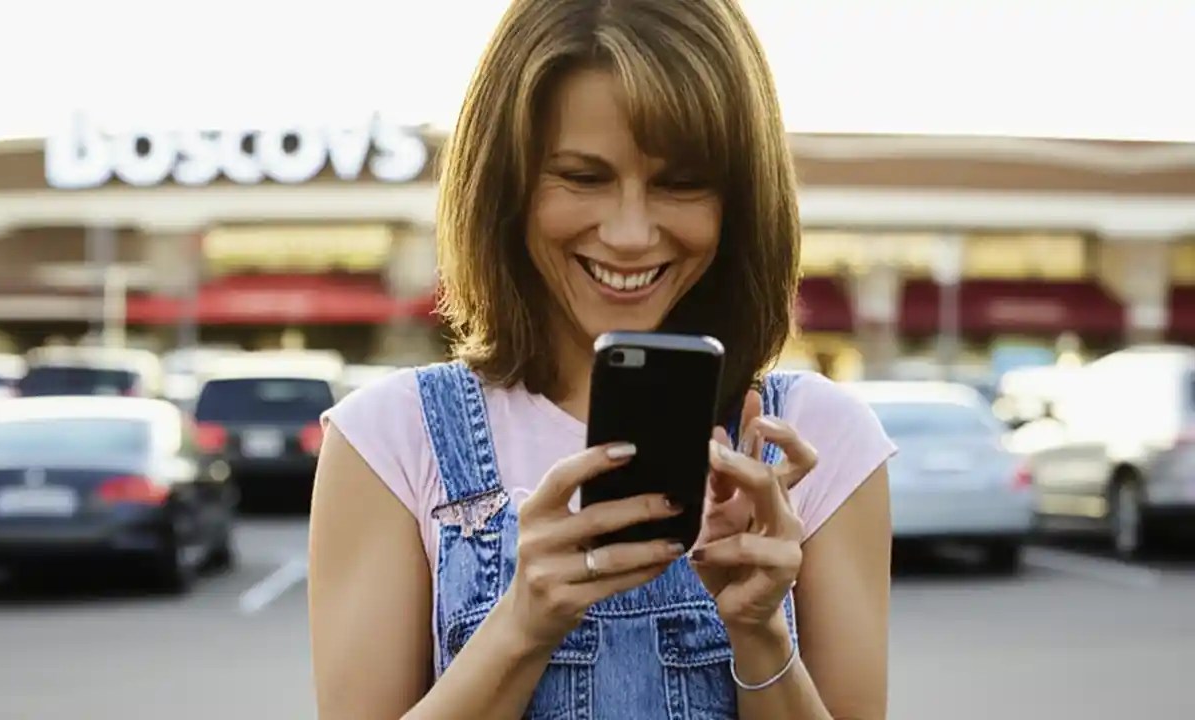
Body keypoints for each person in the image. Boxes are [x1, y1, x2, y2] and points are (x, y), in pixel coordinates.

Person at [308, 0, 896, 717]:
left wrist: (759, 631)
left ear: (739, 199)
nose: (628, 232)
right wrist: (523, 624)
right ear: (509, 185)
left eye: (680, 183)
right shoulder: (392, 439)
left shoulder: (820, 442)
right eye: (583, 178)